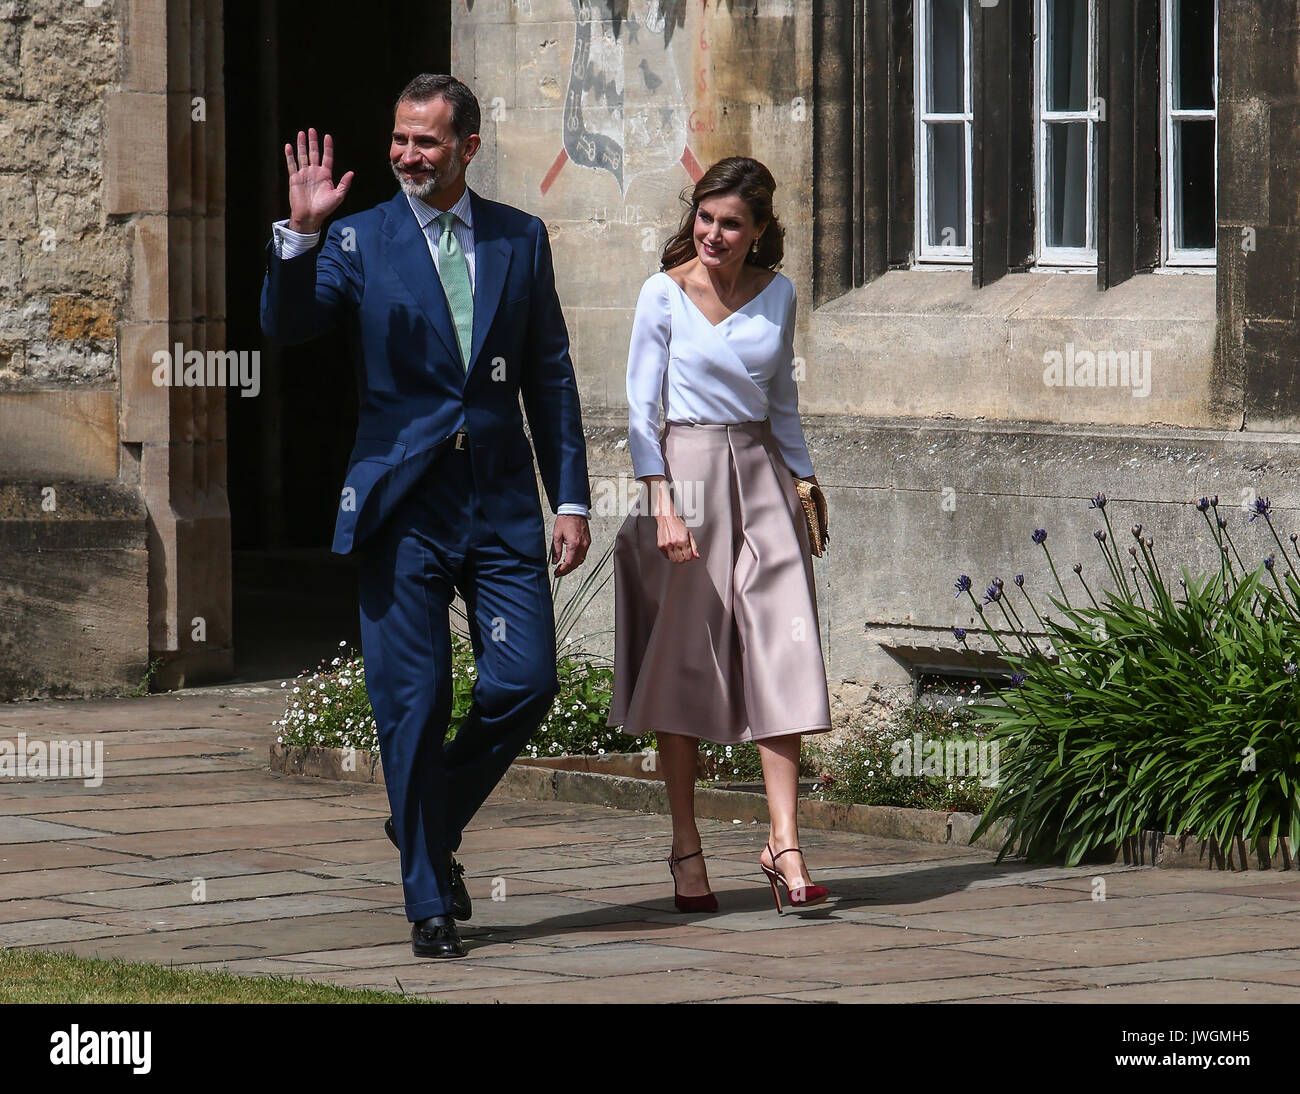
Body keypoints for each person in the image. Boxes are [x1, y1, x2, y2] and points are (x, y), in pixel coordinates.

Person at [261, 74, 592, 958]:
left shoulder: (520, 238)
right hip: (400, 508)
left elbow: (549, 373)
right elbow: (287, 326)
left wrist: (569, 496)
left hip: (500, 505)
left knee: (525, 683)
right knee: (413, 703)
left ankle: (424, 822)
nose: (408, 154)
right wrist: (302, 234)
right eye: (400, 138)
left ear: (468, 148)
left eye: (427, 142)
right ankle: (428, 901)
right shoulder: (359, 240)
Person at [607, 157, 833, 916]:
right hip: (687, 479)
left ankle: (785, 843)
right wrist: (662, 504)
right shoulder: (662, 292)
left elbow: (783, 401)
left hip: (764, 479)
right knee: (685, 662)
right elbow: (641, 411)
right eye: (704, 217)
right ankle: (685, 845)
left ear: (759, 230)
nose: (713, 233)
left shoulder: (780, 295)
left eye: (731, 223)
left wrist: (805, 483)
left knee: (786, 647)